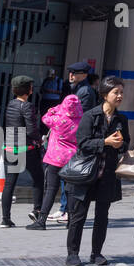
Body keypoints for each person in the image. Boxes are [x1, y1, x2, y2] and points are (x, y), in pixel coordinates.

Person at [65, 76, 128, 266]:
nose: (119, 96)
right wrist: (105, 142)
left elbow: (126, 144)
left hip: (107, 174)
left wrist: (120, 144)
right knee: (78, 216)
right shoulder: (90, 116)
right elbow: (82, 143)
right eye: (115, 92)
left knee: (103, 216)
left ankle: (96, 253)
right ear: (104, 94)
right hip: (85, 174)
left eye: (121, 93)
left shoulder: (121, 119)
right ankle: (73, 254)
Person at [29, 93, 83, 228]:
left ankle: (41, 221)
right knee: (70, 191)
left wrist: (56, 109)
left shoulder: (58, 119)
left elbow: (44, 118)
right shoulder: (82, 120)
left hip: (55, 159)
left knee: (51, 190)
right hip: (72, 159)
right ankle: (71, 221)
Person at [0, 76, 44, 228]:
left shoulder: (11, 104)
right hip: (26, 149)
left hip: (10, 148)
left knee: (9, 184)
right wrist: (40, 139)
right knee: (38, 179)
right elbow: (31, 129)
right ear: (29, 89)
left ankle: (5, 219)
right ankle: (37, 210)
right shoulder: (27, 106)